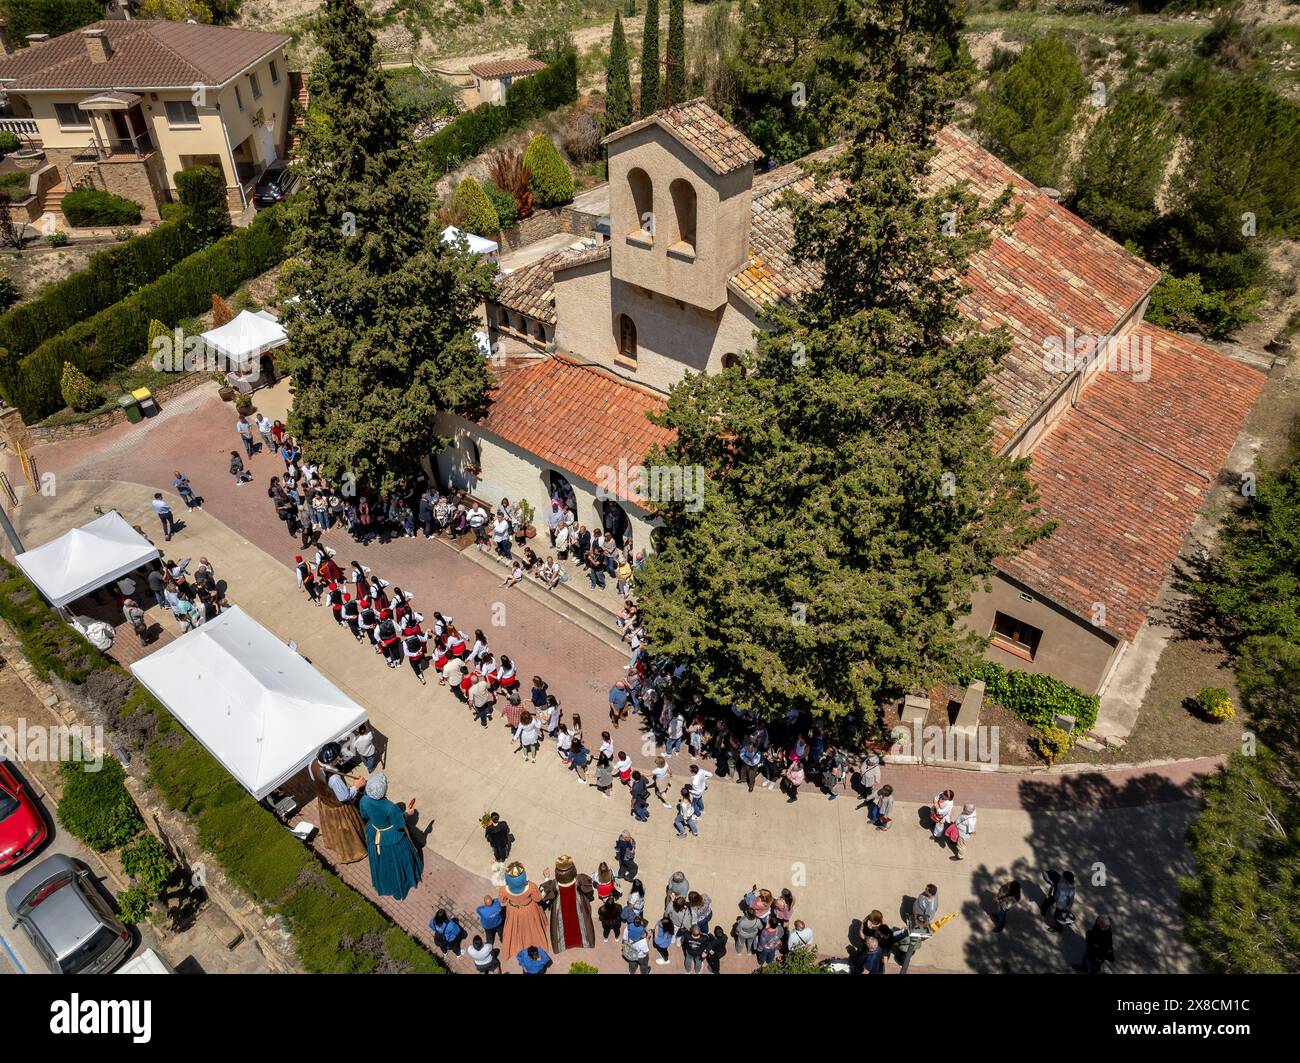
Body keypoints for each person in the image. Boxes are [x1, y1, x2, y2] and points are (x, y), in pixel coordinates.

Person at [357, 773, 423, 901]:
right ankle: (400, 890)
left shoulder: (364, 800)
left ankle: (386, 885)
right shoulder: (391, 807)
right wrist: (407, 813)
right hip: (392, 837)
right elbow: (399, 824)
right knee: (398, 865)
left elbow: (364, 815)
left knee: (383, 865)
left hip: (375, 833)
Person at [308, 744, 367, 864]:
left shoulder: (312, 763)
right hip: (339, 807)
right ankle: (353, 851)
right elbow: (344, 797)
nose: (339, 758)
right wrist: (357, 786)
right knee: (347, 829)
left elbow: (314, 779)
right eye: (337, 757)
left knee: (333, 828)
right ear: (331, 760)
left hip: (325, 801)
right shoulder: (334, 779)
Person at [540, 856, 596, 952]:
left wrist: (546, 878)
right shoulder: (580, 879)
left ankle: (562, 945)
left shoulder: (554, 884)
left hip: (560, 909)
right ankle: (586, 941)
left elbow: (543, 894)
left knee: (562, 926)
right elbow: (590, 887)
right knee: (582, 921)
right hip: (579, 906)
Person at [499, 862, 550, 959]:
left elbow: (503, 901)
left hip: (514, 911)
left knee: (515, 928)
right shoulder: (531, 886)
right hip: (530, 909)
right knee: (533, 926)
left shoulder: (503, 889)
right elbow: (538, 899)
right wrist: (546, 878)